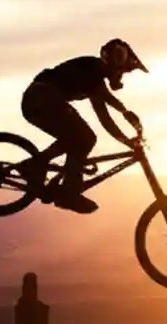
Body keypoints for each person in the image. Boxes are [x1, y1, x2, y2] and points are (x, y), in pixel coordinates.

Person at [20, 38, 147, 214]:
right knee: (84, 138)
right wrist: (126, 112)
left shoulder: (94, 83)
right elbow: (109, 99)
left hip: (36, 101)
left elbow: (106, 122)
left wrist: (127, 142)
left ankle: (36, 165)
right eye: (121, 71)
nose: (120, 76)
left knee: (80, 138)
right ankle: (68, 193)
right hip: (43, 97)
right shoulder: (95, 68)